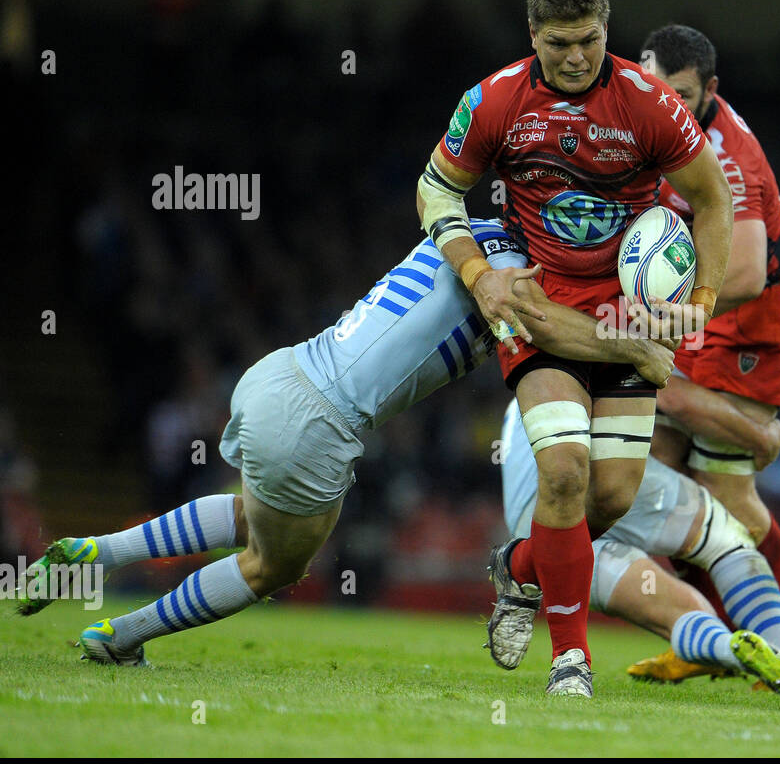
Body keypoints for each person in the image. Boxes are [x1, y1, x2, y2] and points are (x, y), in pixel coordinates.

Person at [17, 221, 677, 665]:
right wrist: (633, 346)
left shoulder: (469, 237)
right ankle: (119, 634)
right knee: (270, 566)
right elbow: (541, 321)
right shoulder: (511, 272)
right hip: (321, 422)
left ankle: (97, 552)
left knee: (254, 514)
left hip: (280, 372)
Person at [419, 0, 732, 697]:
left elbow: (712, 200)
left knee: (613, 497)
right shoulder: (496, 99)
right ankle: (571, 662)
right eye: (557, 42)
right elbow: (437, 188)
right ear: (533, 34)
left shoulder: (649, 102)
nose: (574, 56)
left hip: (630, 314)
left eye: (588, 39)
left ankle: (521, 567)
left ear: (606, 28)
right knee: (563, 471)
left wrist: (706, 295)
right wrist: (479, 273)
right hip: (540, 308)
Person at [633, 24, 780, 672]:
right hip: (704, 303)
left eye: (682, 96)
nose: (667, 107)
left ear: (711, 90)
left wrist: (657, 323)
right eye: (657, 92)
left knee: (727, 495)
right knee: (648, 477)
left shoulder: (727, 151)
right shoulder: (645, 114)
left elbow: (744, 275)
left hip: (759, 314)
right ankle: (713, 639)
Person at [498, 399, 780, 697]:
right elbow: (676, 397)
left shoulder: (540, 383)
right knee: (727, 537)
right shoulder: (653, 324)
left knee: (679, 613)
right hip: (600, 475)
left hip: (533, 516)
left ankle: (731, 649)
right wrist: (761, 434)